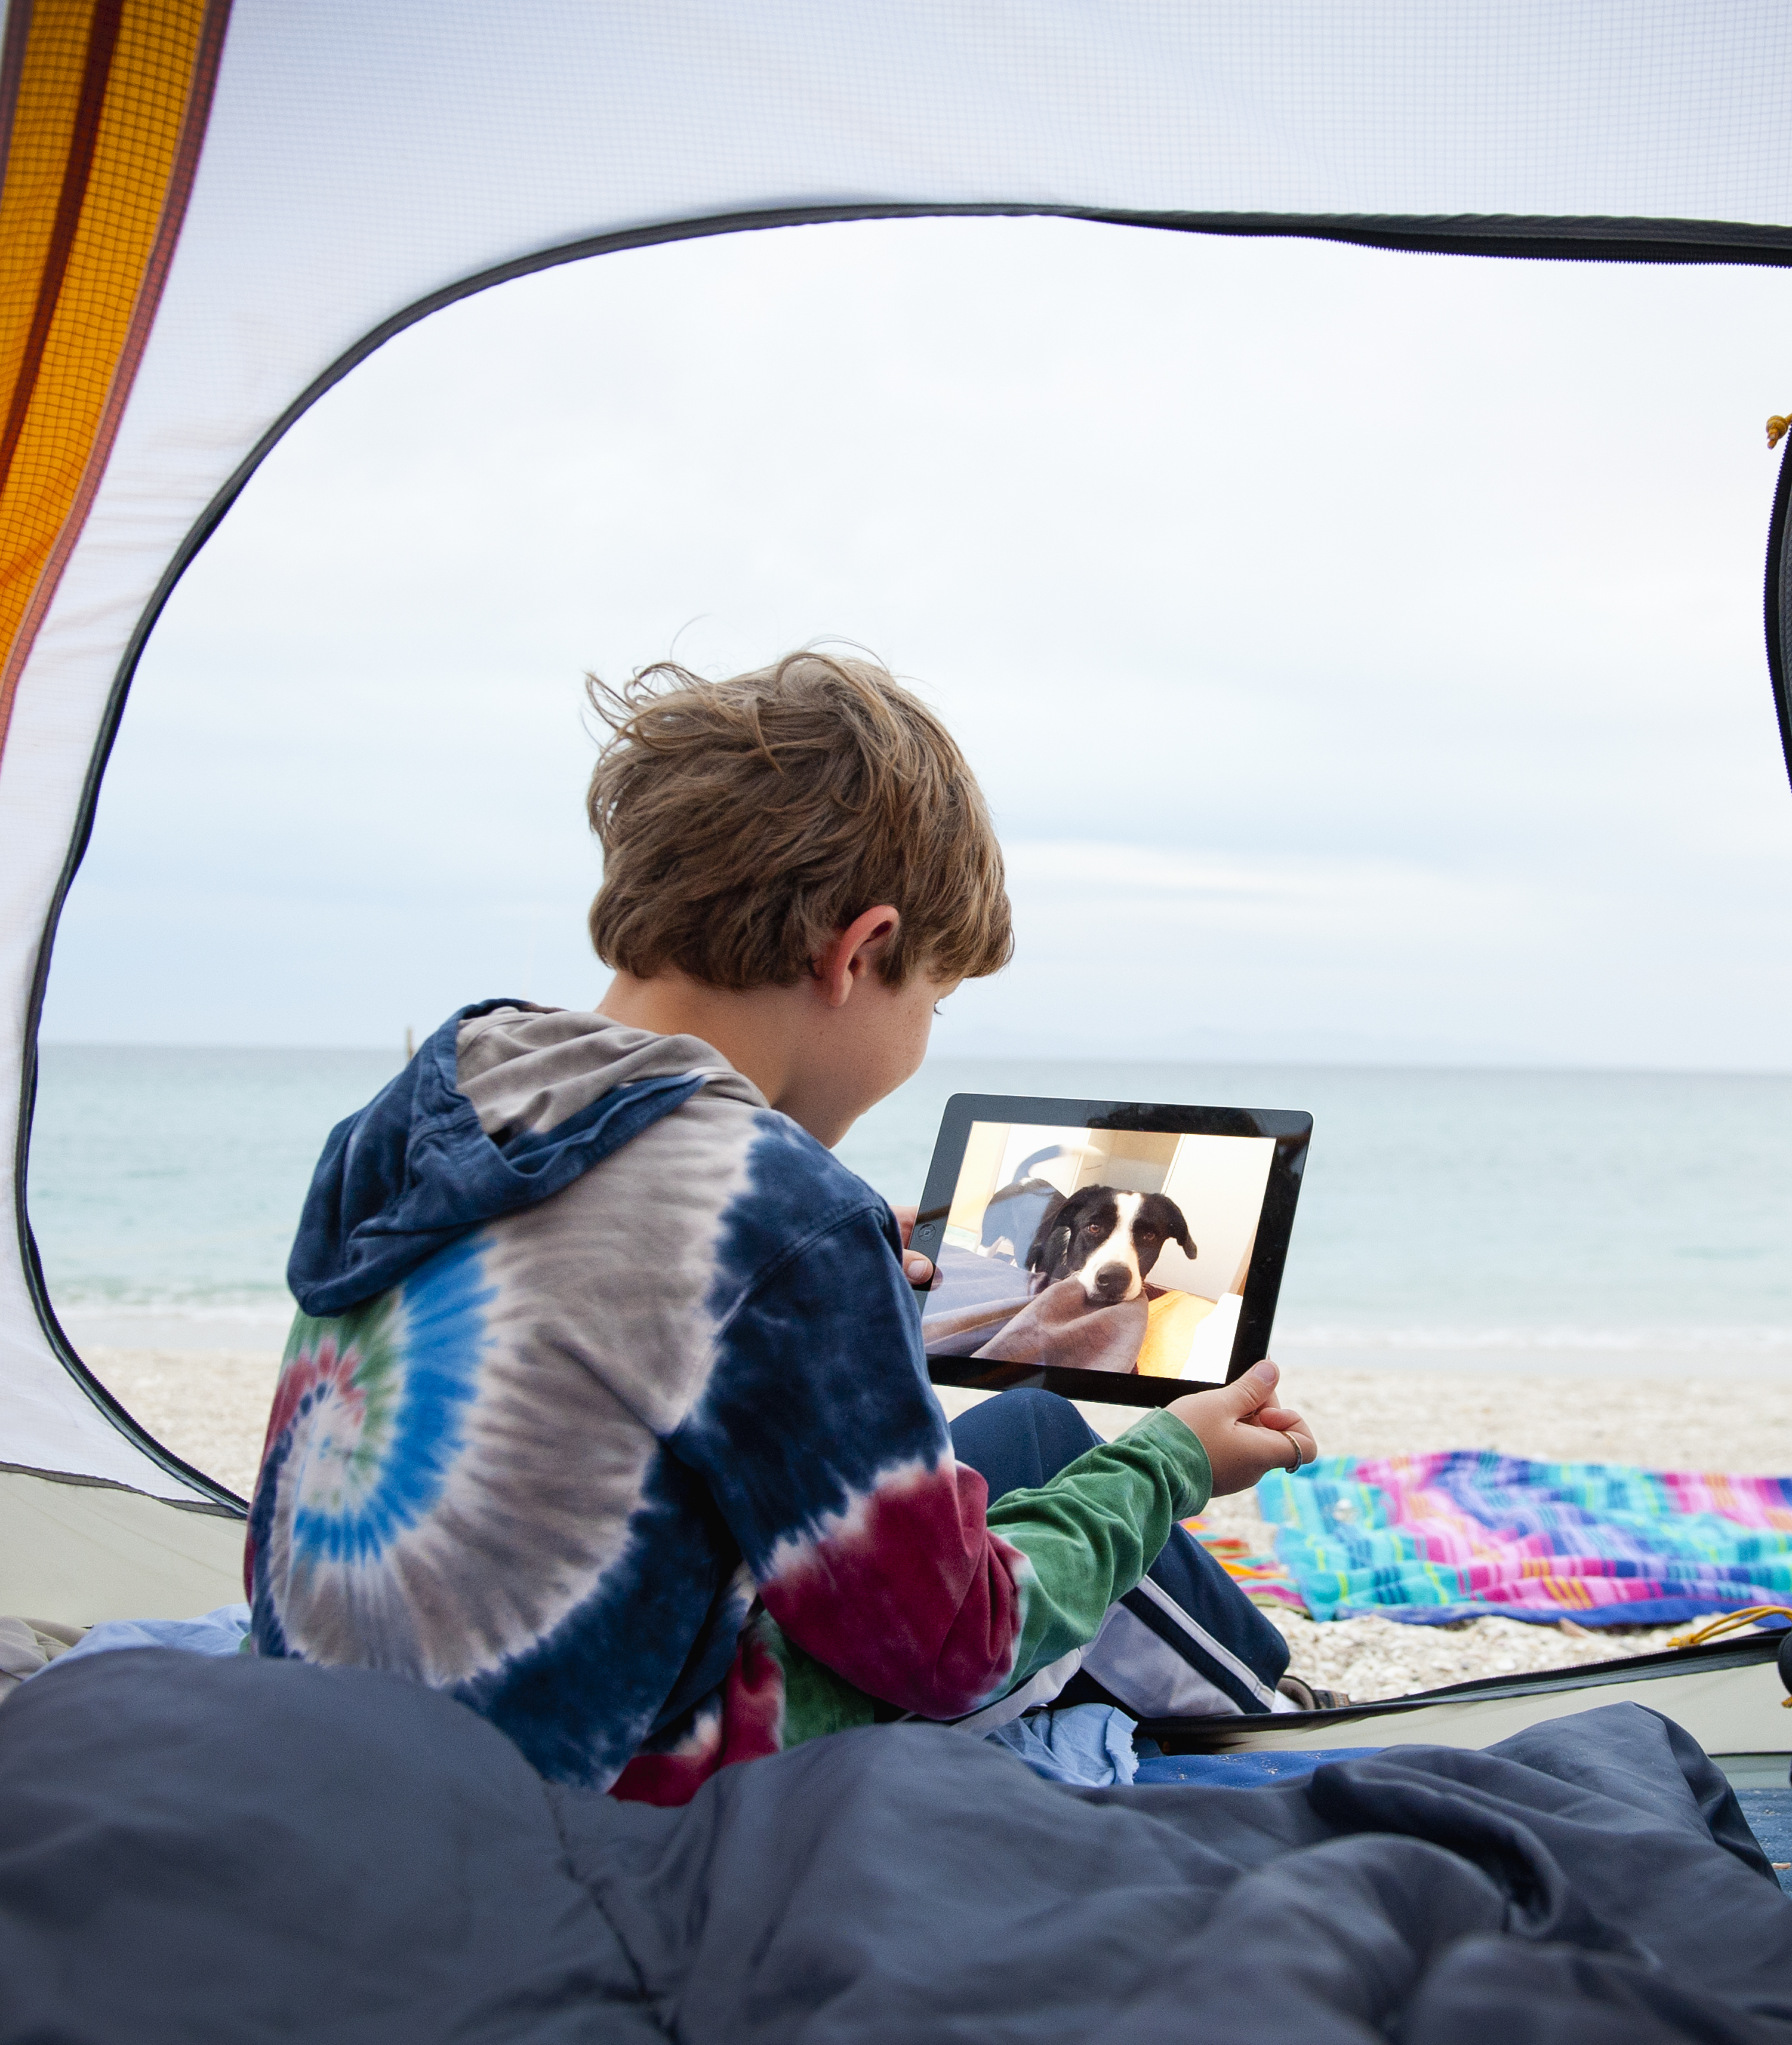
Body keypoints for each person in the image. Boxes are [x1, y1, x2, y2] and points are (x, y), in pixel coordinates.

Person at [246, 650, 1316, 1803]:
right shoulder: (785, 1214)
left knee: (1033, 1433)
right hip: (602, 1795)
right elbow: (954, 1646)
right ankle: (1275, 1739)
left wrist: (858, 1296)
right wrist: (1175, 1462)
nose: (923, 1043)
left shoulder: (423, 1116)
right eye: (936, 1002)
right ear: (856, 954)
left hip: (330, 1741)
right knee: (1094, 1482)